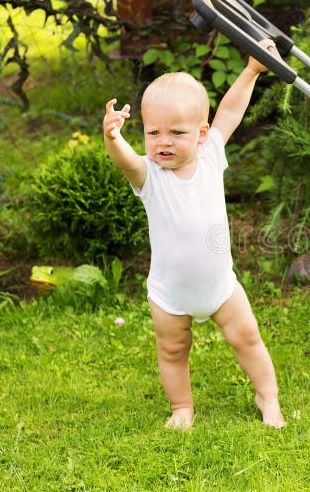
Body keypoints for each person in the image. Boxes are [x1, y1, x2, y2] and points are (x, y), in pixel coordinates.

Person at [102, 39, 284, 430]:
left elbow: (230, 110)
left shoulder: (211, 155)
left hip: (221, 287)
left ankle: (268, 398)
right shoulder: (150, 177)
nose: (163, 142)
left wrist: (252, 69)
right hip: (170, 294)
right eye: (153, 132)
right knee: (172, 350)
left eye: (176, 133)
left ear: (201, 134)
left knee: (248, 339)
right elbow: (126, 162)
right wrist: (114, 138)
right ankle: (181, 407)